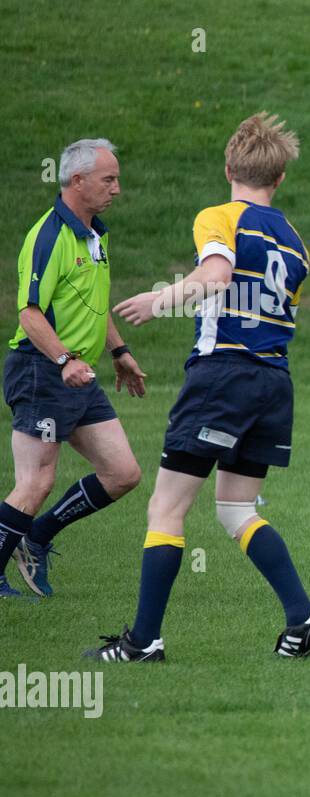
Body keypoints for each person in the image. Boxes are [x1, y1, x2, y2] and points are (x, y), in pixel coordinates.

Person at [84, 113, 310, 662]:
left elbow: (217, 276)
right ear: (281, 178)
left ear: (228, 168)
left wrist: (159, 300)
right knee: (235, 509)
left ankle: (144, 641)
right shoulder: (295, 241)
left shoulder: (218, 216)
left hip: (223, 376)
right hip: (273, 381)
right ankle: (304, 616)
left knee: (166, 509)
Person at [1, 138, 146, 599]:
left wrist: (120, 351)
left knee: (123, 473)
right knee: (35, 482)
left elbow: (93, 303)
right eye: (109, 179)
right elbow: (30, 314)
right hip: (42, 372)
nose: (117, 189)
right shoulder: (49, 236)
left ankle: (36, 539)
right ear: (77, 180)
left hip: (77, 376)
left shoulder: (95, 233)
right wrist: (64, 360)